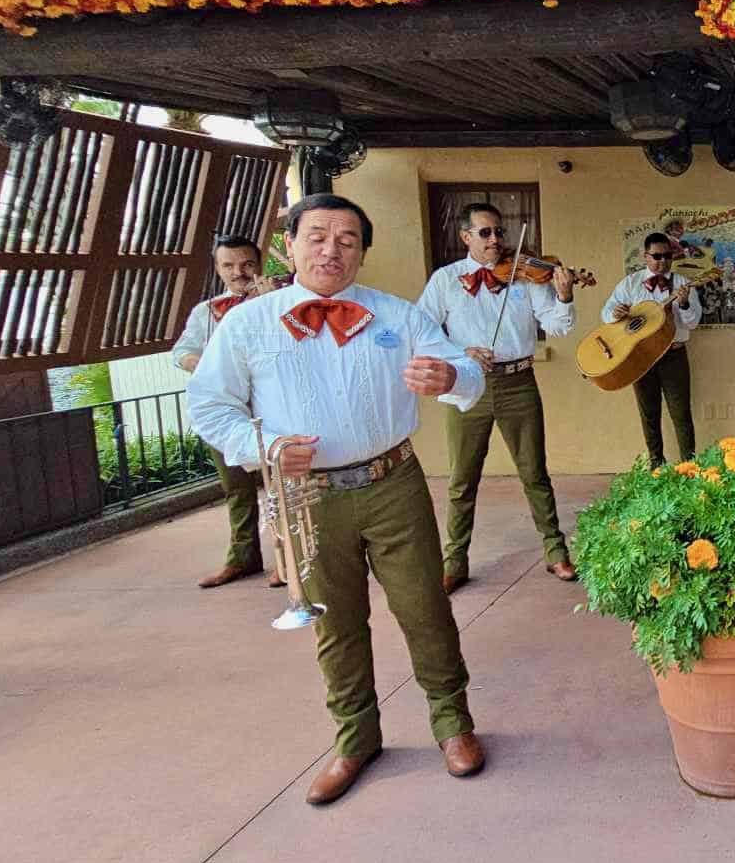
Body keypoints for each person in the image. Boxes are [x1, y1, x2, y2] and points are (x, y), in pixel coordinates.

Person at [186, 194, 486, 805]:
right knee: (334, 622)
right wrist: (261, 446)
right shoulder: (246, 324)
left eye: (347, 239)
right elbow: (208, 406)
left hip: (393, 483)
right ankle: (355, 739)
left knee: (425, 607)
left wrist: (451, 378)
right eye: (317, 236)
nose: (331, 249)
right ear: (289, 246)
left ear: (363, 252)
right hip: (308, 496)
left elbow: (466, 371)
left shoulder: (397, 316)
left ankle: (453, 724)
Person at [417, 203, 579, 590]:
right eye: (486, 233)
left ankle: (555, 551)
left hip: (518, 382)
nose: (496, 240)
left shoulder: (525, 277)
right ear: (466, 237)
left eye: (499, 232)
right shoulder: (445, 279)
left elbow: (557, 328)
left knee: (534, 472)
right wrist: (459, 354)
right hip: (467, 384)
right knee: (462, 478)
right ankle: (454, 559)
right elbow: (420, 329)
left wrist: (565, 296)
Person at [173, 234, 280, 590]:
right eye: (229, 265)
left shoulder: (280, 299)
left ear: (259, 263)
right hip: (226, 412)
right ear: (218, 269)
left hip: (274, 408)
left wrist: (271, 304)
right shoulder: (206, 311)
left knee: (282, 483)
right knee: (236, 488)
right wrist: (206, 365)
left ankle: (288, 558)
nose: (239, 272)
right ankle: (243, 558)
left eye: (247, 264)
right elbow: (182, 351)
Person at [603, 233, 702, 465]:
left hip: (674, 355)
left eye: (668, 256)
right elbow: (606, 314)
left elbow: (693, 323)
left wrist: (684, 304)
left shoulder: (682, 284)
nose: (662, 262)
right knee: (649, 414)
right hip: (640, 359)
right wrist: (615, 314)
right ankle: (656, 465)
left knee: (681, 414)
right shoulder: (630, 284)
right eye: (656, 256)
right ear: (645, 256)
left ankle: (689, 466)